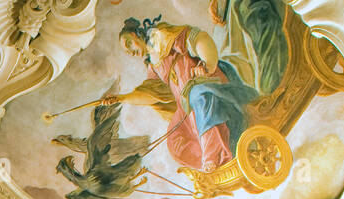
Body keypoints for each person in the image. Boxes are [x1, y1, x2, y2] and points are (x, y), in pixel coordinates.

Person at [104, 16, 257, 172]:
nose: (130, 52)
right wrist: (120, 98)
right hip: (186, 103)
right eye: (127, 51)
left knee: (200, 98)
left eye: (129, 43)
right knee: (175, 140)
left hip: (206, 86)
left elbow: (198, 38)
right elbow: (150, 93)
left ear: (136, 34)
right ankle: (212, 164)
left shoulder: (162, 36)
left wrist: (207, 65)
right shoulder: (153, 64)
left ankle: (214, 156)